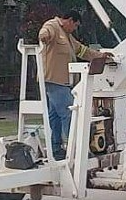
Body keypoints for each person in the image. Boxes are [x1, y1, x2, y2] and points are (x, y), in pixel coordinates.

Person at [38, 8, 102, 160]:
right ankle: (77, 150)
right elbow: (44, 33)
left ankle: (56, 149)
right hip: (54, 80)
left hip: (62, 81)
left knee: (55, 116)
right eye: (75, 25)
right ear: (69, 20)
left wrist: (100, 56)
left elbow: (82, 51)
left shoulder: (67, 36)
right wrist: (44, 37)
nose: (75, 29)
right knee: (69, 113)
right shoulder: (52, 26)